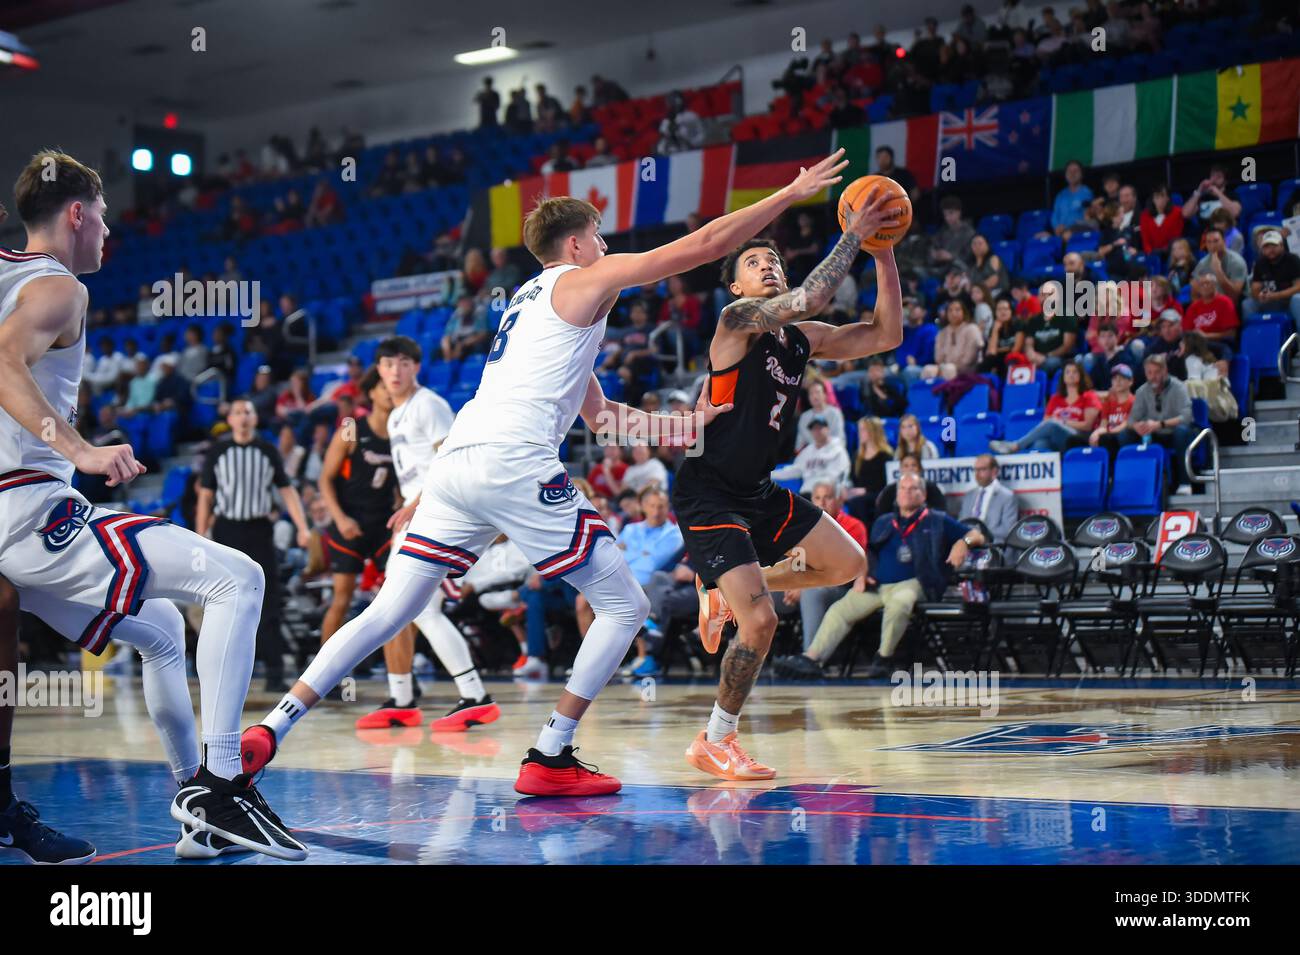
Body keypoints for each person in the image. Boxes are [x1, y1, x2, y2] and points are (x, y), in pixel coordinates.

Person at [239, 151, 851, 797]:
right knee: (624, 605)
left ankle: (275, 726)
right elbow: (703, 244)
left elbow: (602, 413)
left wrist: (686, 426)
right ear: (579, 242)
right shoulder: (582, 279)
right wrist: (791, 190)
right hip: (513, 463)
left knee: (391, 609)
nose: (610, 247)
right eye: (603, 239)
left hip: (457, 468)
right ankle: (550, 753)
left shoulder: (531, 310)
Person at [0, 150, 304, 861]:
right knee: (240, 577)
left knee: (164, 628)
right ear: (76, 213)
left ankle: (194, 806)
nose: (108, 233)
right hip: (29, 510)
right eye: (103, 217)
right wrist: (79, 450)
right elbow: (3, 363)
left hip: (12, 520)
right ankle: (223, 784)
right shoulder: (58, 287)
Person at [672, 178, 903, 780]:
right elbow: (808, 299)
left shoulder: (798, 343)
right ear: (736, 285)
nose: (768, 266)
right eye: (754, 261)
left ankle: (724, 587)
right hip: (709, 491)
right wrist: (852, 234)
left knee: (849, 563)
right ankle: (715, 740)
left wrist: (883, 254)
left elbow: (885, 335)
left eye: (773, 259)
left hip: (758, 490)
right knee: (764, 622)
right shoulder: (736, 320)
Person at [365, 335, 498, 732]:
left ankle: (474, 696)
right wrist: (406, 505)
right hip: (414, 515)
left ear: (415, 367)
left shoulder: (429, 405)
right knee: (396, 607)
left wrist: (415, 503)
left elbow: (452, 462)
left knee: (418, 609)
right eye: (388, 363)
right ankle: (403, 697)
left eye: (403, 362)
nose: (395, 370)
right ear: (379, 369)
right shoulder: (394, 415)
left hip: (435, 513)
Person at [774, 472, 984, 679]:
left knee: (899, 603)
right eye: (903, 488)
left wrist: (962, 543)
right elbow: (868, 553)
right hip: (878, 585)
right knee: (840, 610)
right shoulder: (884, 521)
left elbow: (977, 534)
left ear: (924, 495)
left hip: (915, 583)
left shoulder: (937, 520)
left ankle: (884, 659)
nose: (907, 493)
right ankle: (812, 659)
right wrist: (862, 574)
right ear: (897, 494)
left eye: (913, 489)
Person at [197, 399, 313, 692]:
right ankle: (222, 673)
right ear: (230, 419)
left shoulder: (267, 451)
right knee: (225, 602)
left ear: (255, 418)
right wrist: (200, 537)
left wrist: (302, 526)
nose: (243, 417)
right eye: (237, 412)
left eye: (248, 412)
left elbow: (287, 491)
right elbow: (206, 497)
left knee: (268, 599)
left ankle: (274, 673)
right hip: (227, 531)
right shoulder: (218, 452)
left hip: (260, 531)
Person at [316, 367, 399, 657]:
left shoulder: (403, 431)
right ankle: (323, 672)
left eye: (392, 386)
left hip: (382, 524)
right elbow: (325, 479)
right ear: (372, 393)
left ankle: (399, 678)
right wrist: (340, 518)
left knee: (397, 599)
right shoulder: (352, 427)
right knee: (342, 598)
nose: (390, 392)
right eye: (383, 387)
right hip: (349, 522)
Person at [780, 482, 867, 653]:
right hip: (803, 586)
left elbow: (840, 568)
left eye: (828, 497)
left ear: (839, 501)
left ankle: (809, 659)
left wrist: (803, 587)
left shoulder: (853, 526)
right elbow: (797, 561)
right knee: (760, 590)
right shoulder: (804, 526)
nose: (822, 503)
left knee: (813, 593)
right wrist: (793, 584)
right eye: (817, 498)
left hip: (839, 587)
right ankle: (745, 656)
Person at [1097, 353, 1194, 493]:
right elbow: (1131, 420)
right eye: (1149, 373)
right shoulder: (1142, 391)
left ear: (1165, 371)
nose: (1153, 376)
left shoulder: (1178, 387)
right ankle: (1132, 480)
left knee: (1181, 432)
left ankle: (1185, 483)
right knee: (1125, 435)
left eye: (1156, 372)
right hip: (1153, 434)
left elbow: (1187, 416)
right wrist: (1137, 426)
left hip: (1173, 432)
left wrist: (1160, 424)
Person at [990, 360, 1099, 454]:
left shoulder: (1089, 396)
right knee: (1040, 443)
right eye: (1068, 372)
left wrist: (1063, 422)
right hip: (1058, 437)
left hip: (1078, 438)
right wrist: (1057, 422)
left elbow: (1087, 426)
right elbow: (1045, 421)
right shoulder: (1056, 398)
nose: (1071, 375)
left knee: (1052, 424)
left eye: (1075, 372)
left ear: (1081, 375)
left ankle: (1015, 446)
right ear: (1063, 377)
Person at [772, 417, 852, 494]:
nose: (817, 431)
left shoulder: (838, 450)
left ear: (828, 429)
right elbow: (795, 470)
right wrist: (769, 475)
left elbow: (839, 476)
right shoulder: (807, 451)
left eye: (820, 428)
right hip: (807, 493)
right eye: (814, 429)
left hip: (828, 493)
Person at [1242, 229, 1300, 327]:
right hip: (1269, 300)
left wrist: (1277, 295)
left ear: (1281, 245)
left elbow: (1298, 287)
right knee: (1247, 304)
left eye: (1274, 245)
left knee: (1297, 299)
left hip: (1288, 300)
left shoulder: (1292, 259)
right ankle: (1252, 334)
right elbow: (1255, 288)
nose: (1270, 249)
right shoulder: (1260, 263)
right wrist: (1260, 295)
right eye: (1266, 247)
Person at [957, 454, 1018, 542]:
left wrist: (980, 534)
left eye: (982, 469)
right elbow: (961, 523)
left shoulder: (1007, 497)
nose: (977, 474)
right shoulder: (969, 496)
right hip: (968, 543)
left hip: (992, 544)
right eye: (976, 470)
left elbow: (1007, 529)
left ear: (994, 472)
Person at [875, 452, 946, 514]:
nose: (910, 469)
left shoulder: (931, 488)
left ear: (920, 469)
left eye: (914, 465)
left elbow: (940, 511)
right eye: (906, 466)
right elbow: (882, 513)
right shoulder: (890, 490)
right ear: (900, 469)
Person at [1089, 363, 1136, 455]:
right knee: (1096, 438)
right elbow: (1103, 424)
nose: (1117, 381)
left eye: (1122, 378)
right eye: (1115, 379)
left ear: (1131, 381)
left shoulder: (1134, 401)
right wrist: (1097, 432)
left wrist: (1106, 432)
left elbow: (1125, 425)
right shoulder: (1108, 401)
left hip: (1125, 436)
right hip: (1109, 436)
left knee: (1119, 435)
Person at [795, 379, 845, 450]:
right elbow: (799, 444)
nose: (815, 396)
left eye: (817, 392)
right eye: (811, 393)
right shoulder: (804, 417)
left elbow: (840, 439)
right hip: (811, 456)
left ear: (825, 395)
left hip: (831, 452)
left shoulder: (835, 413)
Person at [1051, 160, 1093, 238]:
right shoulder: (1061, 195)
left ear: (1082, 174)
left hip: (1077, 233)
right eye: (1069, 171)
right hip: (1060, 233)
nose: (1072, 174)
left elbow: (1087, 216)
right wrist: (1056, 227)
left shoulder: (1086, 192)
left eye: (1075, 171)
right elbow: (1055, 214)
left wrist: (1069, 228)